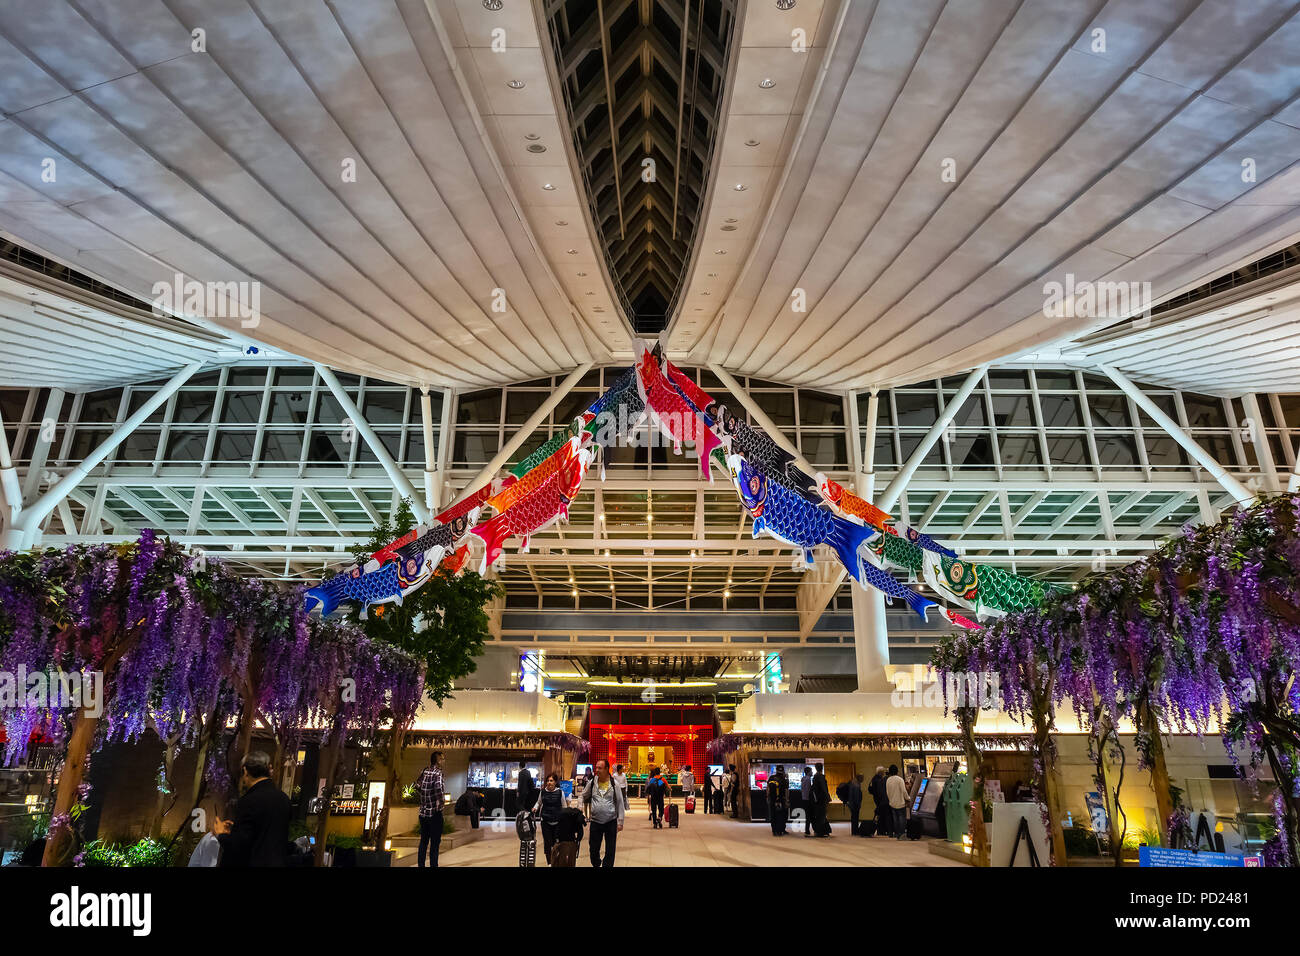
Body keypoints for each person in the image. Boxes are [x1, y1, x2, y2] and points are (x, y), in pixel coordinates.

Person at [213, 750, 291, 867]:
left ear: (245, 771)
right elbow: (265, 833)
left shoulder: (249, 800)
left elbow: (241, 845)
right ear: (269, 769)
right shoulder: (284, 799)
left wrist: (220, 834)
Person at [581, 759, 624, 867]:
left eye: (600, 768)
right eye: (596, 768)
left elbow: (620, 802)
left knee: (610, 849)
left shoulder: (614, 784)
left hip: (611, 820)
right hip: (595, 821)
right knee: (593, 849)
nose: (597, 770)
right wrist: (580, 807)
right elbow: (583, 795)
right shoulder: (592, 782)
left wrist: (620, 821)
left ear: (606, 769)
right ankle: (596, 863)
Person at [414, 751, 446, 867]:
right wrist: (441, 804)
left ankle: (421, 865)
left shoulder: (425, 771)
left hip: (423, 813)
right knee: (435, 844)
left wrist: (424, 796)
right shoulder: (438, 773)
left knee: (423, 841)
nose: (443, 761)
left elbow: (416, 785)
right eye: (442, 759)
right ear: (437, 760)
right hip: (434, 813)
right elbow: (439, 789)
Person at [536, 772, 565, 865]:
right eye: (548, 781)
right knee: (547, 844)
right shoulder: (543, 792)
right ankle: (549, 863)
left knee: (557, 844)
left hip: (558, 822)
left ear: (555, 782)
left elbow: (564, 807)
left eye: (551, 781)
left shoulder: (560, 792)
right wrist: (535, 808)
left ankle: (556, 861)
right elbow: (538, 803)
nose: (549, 782)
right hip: (545, 822)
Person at [886, 764, 909, 840]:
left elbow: (887, 792)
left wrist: (890, 800)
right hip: (900, 803)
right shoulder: (899, 779)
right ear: (897, 771)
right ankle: (902, 834)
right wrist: (908, 798)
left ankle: (897, 833)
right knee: (902, 819)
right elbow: (904, 791)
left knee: (895, 819)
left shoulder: (888, 780)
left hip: (892, 803)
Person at [767, 765, 790, 836]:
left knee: (773, 814)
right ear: (783, 771)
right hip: (781, 800)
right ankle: (780, 830)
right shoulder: (784, 779)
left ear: (776, 770)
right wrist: (787, 800)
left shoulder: (771, 778)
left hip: (772, 799)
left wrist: (768, 797)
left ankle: (774, 831)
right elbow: (786, 791)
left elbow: (768, 789)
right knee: (781, 815)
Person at [811, 765, 831, 837]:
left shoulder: (815, 777)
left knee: (819, 814)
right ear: (821, 768)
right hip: (821, 798)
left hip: (817, 798)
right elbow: (824, 788)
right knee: (822, 814)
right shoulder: (820, 777)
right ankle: (821, 831)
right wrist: (828, 797)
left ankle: (820, 830)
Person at [870, 766, 890, 836]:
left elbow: (870, 789)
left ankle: (880, 830)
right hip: (880, 799)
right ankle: (881, 830)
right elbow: (880, 791)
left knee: (879, 814)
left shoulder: (873, 778)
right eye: (883, 772)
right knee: (881, 815)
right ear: (881, 772)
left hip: (877, 798)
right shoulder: (879, 780)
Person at [800, 767, 814, 836]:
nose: (812, 773)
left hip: (804, 798)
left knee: (807, 815)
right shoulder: (808, 779)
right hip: (807, 799)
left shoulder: (804, 779)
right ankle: (807, 830)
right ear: (808, 772)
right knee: (809, 815)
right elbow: (808, 790)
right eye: (811, 771)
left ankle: (807, 830)